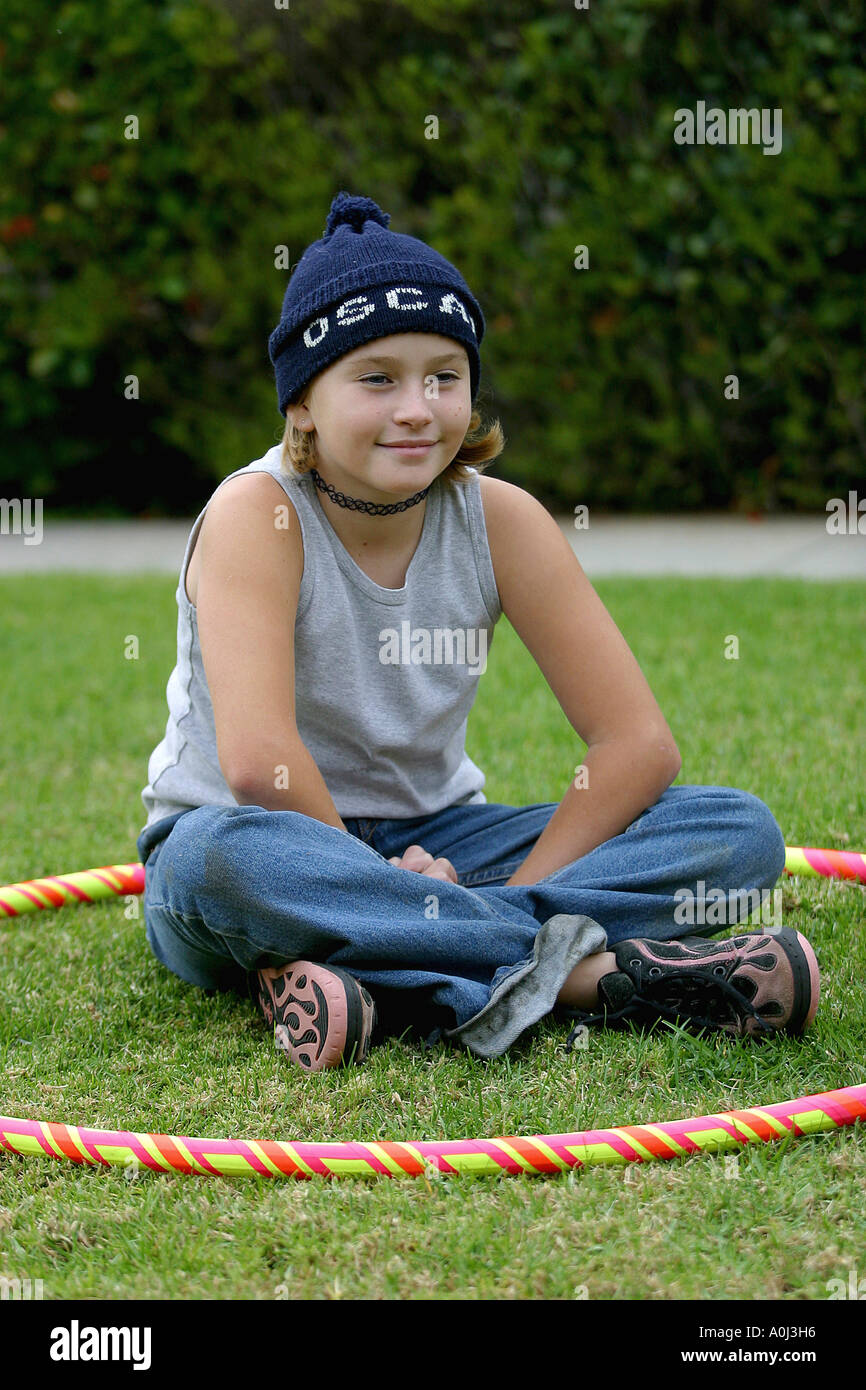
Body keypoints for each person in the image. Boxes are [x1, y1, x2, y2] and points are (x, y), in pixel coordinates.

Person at [136, 190, 820, 1073]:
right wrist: (390, 889)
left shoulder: (501, 520)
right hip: (265, 840)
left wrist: (511, 890)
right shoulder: (255, 515)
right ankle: (584, 980)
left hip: (443, 842)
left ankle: (376, 973)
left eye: (444, 376)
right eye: (376, 378)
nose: (417, 407)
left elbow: (635, 745)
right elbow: (254, 763)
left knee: (737, 834)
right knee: (218, 867)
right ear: (301, 402)